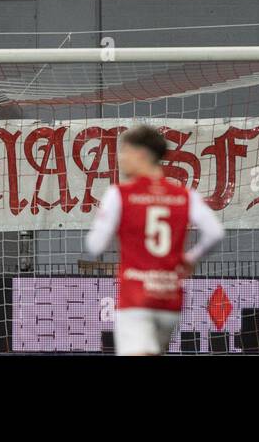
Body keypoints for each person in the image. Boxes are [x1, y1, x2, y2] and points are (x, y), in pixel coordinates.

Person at [84, 125, 224, 357]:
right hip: (169, 297)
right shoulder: (185, 196)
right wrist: (191, 258)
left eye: (125, 152)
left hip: (135, 298)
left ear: (141, 154)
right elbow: (216, 233)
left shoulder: (119, 194)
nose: (122, 159)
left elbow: (95, 246)